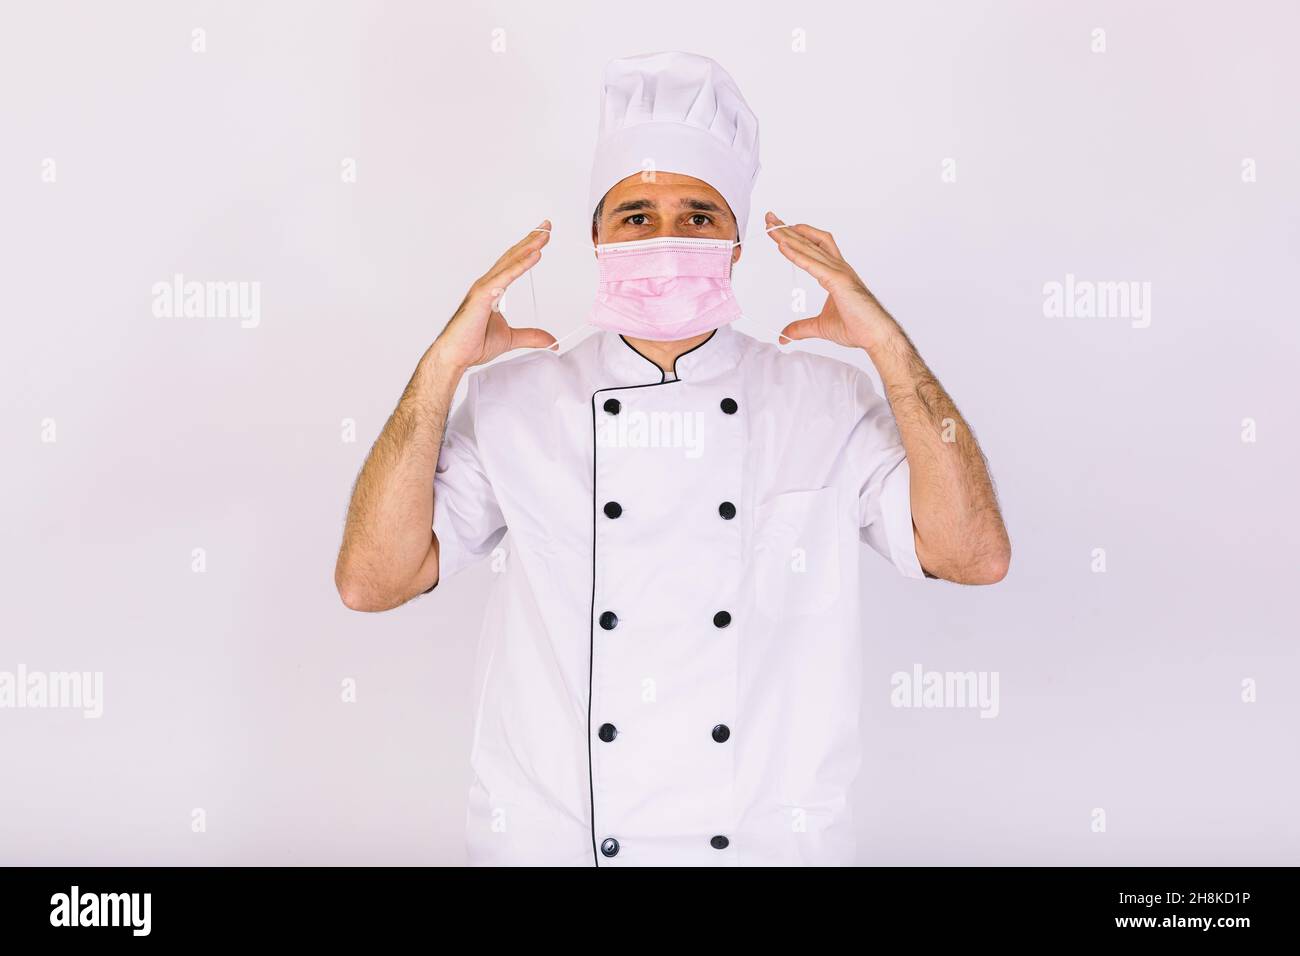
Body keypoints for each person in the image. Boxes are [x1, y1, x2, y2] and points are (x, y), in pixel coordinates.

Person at [335, 51, 1010, 866]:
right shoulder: (516, 403)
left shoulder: (826, 401)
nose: (666, 238)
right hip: (555, 848)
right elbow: (372, 581)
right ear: (596, 238)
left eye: (698, 216)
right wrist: (440, 370)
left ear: (736, 244)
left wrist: (889, 346)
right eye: (635, 216)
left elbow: (973, 556)